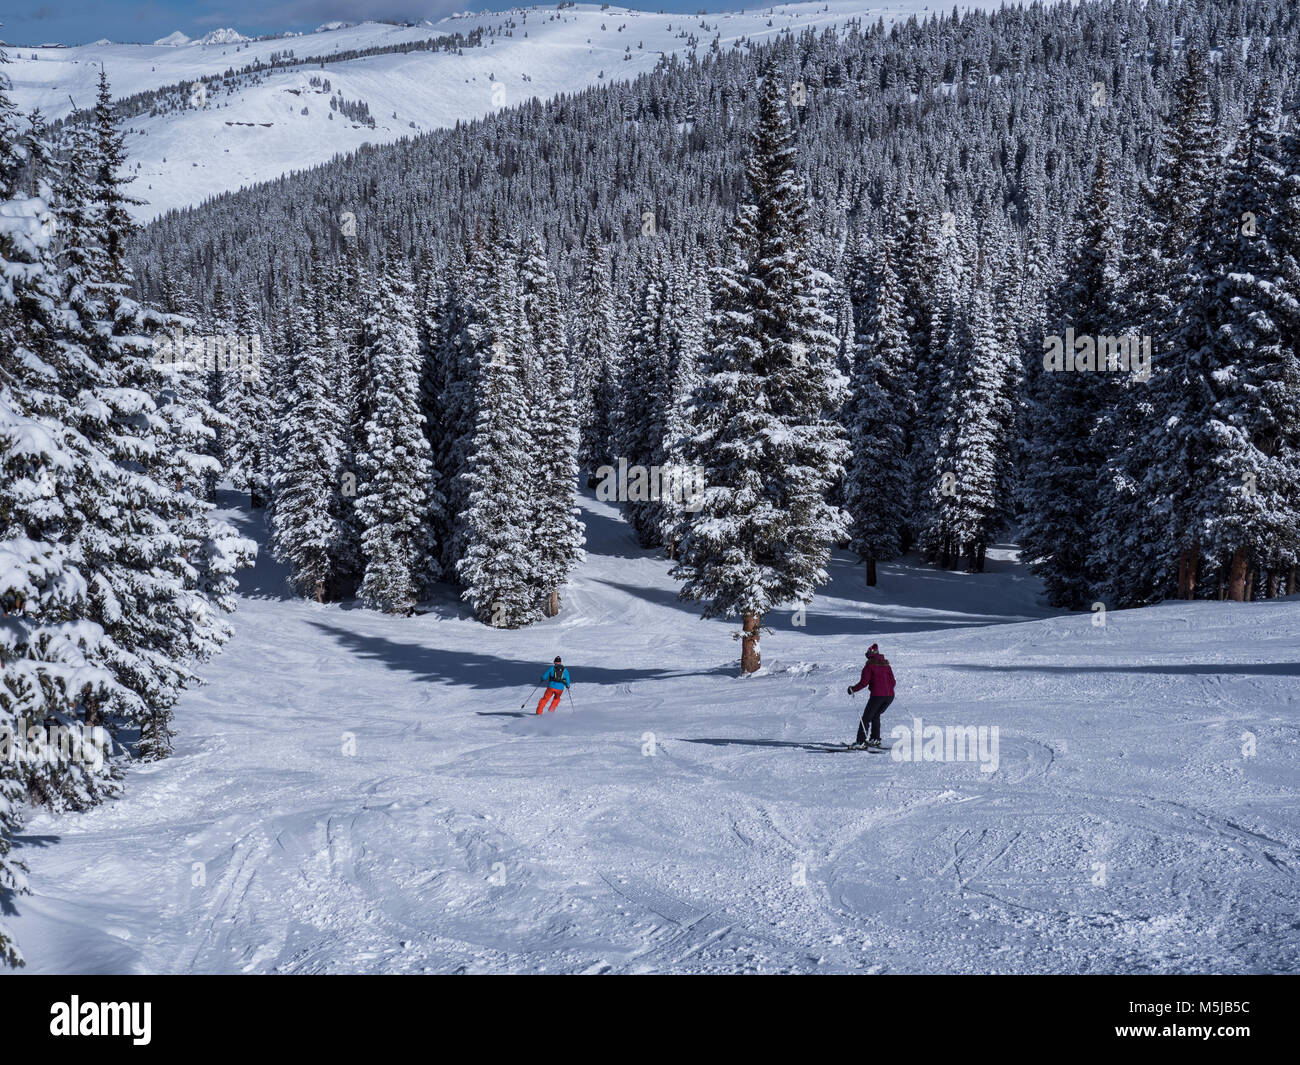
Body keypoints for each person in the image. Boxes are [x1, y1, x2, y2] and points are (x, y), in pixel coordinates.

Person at [846, 643, 895, 749]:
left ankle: (860, 742)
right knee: (875, 715)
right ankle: (875, 739)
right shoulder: (886, 665)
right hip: (890, 696)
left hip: (877, 696)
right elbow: (893, 682)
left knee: (866, 718)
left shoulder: (869, 666)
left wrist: (852, 689)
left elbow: (864, 682)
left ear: (870, 655)